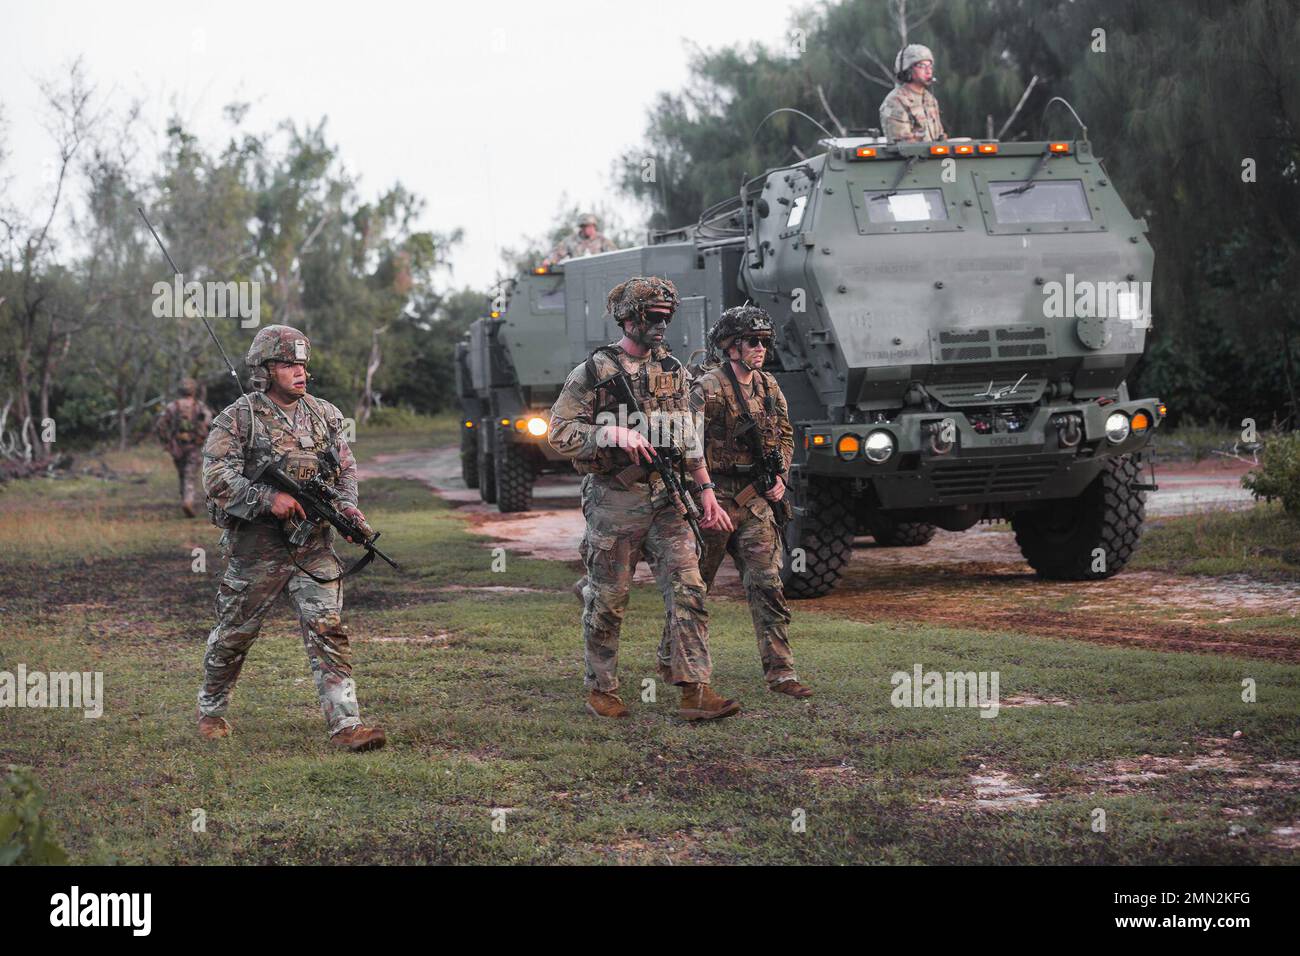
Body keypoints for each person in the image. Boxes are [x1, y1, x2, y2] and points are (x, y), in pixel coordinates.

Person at [548, 276, 741, 721]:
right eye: (654, 317)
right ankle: (602, 688)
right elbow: (558, 432)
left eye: (667, 318)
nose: (662, 326)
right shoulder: (593, 373)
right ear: (629, 319)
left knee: (689, 589)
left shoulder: (674, 370)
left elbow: (689, 436)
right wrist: (606, 433)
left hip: (669, 498)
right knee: (610, 597)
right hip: (615, 498)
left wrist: (707, 490)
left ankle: (695, 689)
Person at [196, 324, 386, 752]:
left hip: (313, 547)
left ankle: (346, 725)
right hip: (256, 549)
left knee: (328, 628)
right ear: (264, 371)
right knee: (234, 633)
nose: (298, 372)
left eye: (301, 363)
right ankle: (211, 710)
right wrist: (267, 498)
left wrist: (347, 511)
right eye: (286, 364)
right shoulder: (238, 418)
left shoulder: (326, 415)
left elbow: (345, 469)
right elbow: (215, 478)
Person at [668, 305, 812, 698]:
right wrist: (701, 492)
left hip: (756, 501)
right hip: (713, 499)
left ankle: (782, 673)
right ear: (730, 346)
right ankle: (673, 662)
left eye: (765, 341)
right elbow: (685, 440)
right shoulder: (708, 388)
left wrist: (780, 474)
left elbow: (784, 433)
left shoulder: (768, 386)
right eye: (753, 341)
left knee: (768, 585)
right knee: (696, 588)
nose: (760, 348)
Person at [155, 378, 213, 517]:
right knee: (190, 474)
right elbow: (210, 423)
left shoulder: (172, 406)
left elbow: (160, 425)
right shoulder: (199, 406)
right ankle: (187, 501)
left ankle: (185, 499)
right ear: (194, 390)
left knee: (182, 473)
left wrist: (167, 443)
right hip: (194, 445)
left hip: (177, 446)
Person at [879, 43, 947, 143]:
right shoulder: (895, 101)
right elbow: (902, 144)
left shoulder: (929, 99)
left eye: (930, 66)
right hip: (911, 158)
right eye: (922, 66)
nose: (928, 71)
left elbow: (939, 136)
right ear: (908, 70)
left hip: (933, 157)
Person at [542, 213, 618, 268]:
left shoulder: (602, 239)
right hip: (578, 274)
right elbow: (557, 253)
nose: (590, 229)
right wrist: (549, 261)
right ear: (582, 228)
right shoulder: (571, 241)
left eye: (592, 226)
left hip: (599, 272)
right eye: (587, 226)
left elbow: (615, 255)